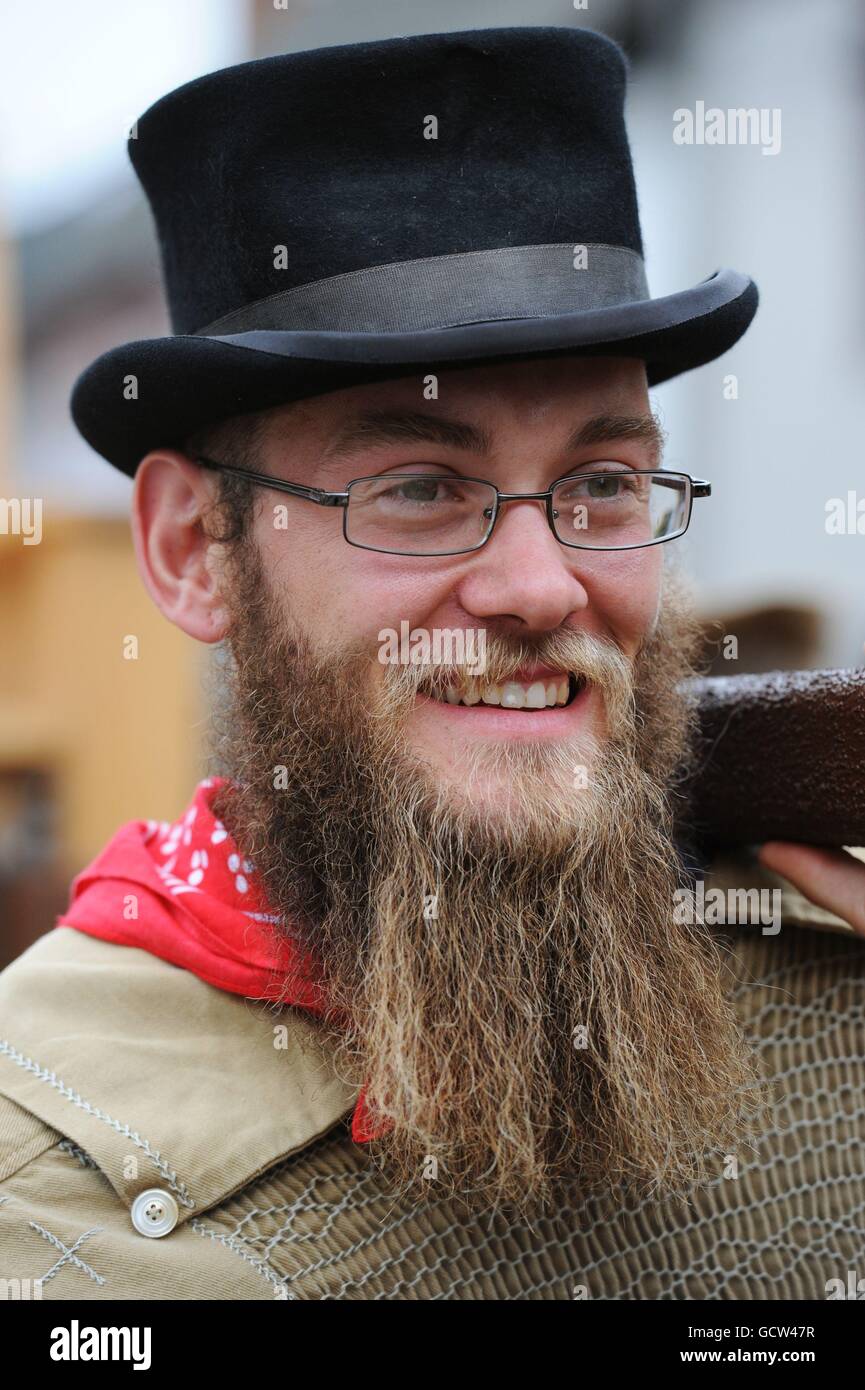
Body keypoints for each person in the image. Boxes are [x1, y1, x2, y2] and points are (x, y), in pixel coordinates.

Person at [2, 25, 864, 1302]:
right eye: (416, 486)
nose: (538, 585)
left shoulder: (828, 981)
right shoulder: (45, 1192)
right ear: (196, 548)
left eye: (603, 484)